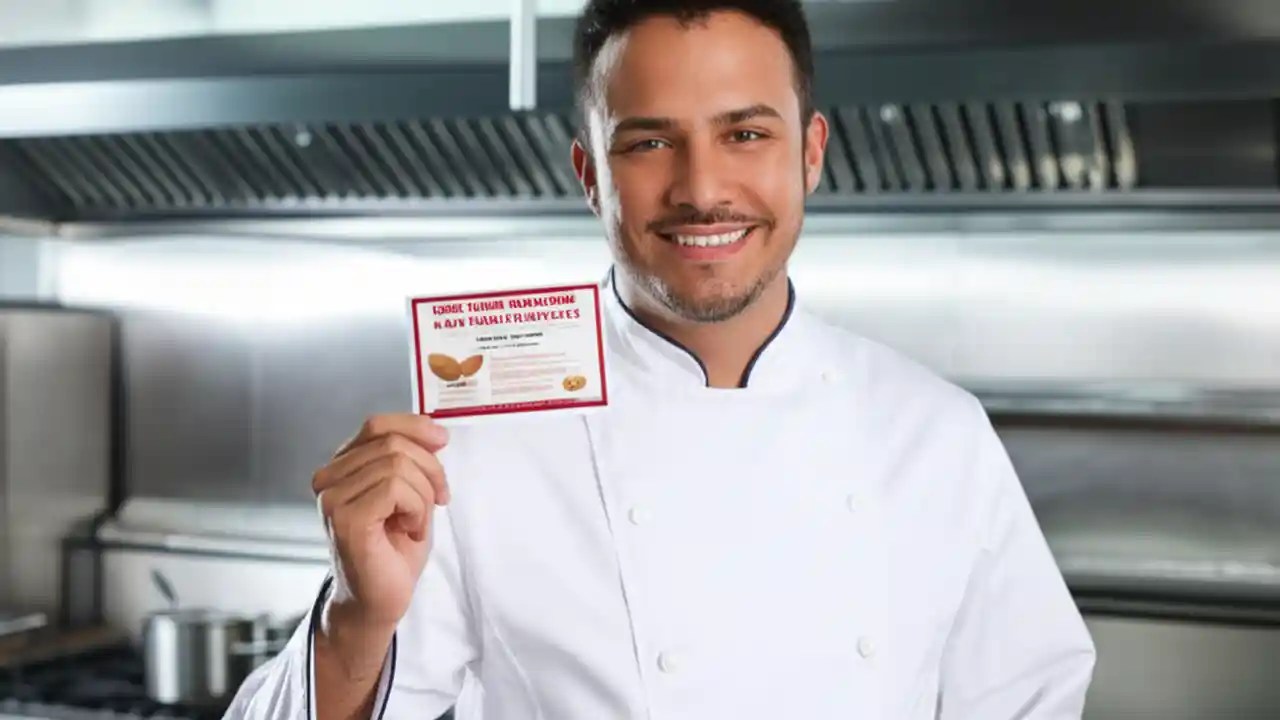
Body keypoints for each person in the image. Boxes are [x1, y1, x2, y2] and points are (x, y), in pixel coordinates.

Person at [224, 1, 1097, 718]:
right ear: (588, 174)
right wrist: (354, 621)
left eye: (746, 134)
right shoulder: (473, 437)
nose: (702, 188)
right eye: (648, 142)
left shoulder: (937, 433)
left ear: (813, 153)